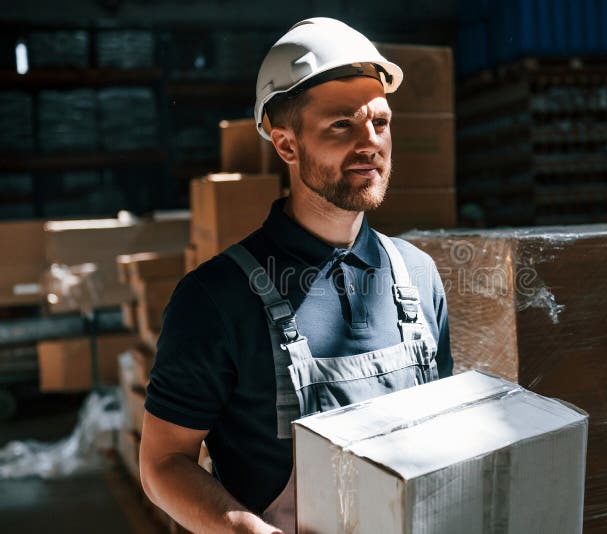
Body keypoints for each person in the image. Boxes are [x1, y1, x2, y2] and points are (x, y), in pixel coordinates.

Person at [139, 17, 453, 534]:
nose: (370, 143)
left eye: (381, 122)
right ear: (286, 146)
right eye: (341, 126)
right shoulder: (215, 299)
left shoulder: (418, 276)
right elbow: (161, 465)